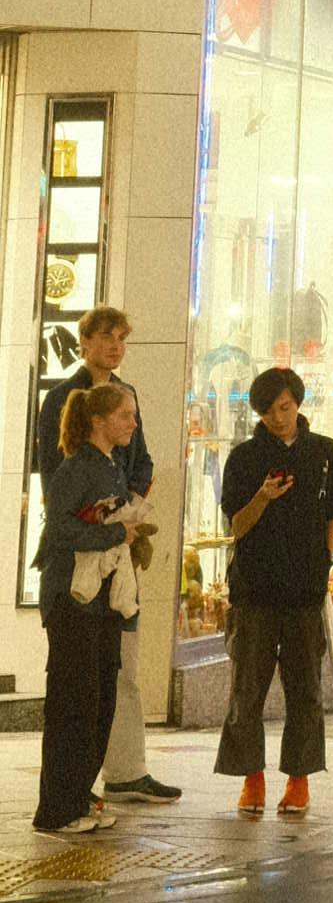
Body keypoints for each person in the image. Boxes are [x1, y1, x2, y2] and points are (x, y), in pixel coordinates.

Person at [34, 305, 176, 805]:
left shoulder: (127, 394)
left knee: (120, 669)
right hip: (82, 551)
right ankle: (72, 791)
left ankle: (124, 769)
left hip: (121, 544)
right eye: (106, 337)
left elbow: (142, 460)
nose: (115, 346)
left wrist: (128, 508)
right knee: (79, 685)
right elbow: (56, 476)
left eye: (122, 337)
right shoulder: (61, 397)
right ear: (86, 341)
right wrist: (103, 516)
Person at [215, 365, 333, 819]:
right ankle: (251, 779)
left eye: (286, 408)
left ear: (298, 404)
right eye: (271, 411)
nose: (280, 418)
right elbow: (235, 526)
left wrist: (325, 562)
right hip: (254, 589)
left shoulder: (325, 453)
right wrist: (263, 498)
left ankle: (299, 781)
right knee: (247, 688)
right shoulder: (245, 458)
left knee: (305, 689)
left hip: (305, 590)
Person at [33, 376, 145, 839]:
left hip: (102, 604)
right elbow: (58, 530)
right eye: (125, 416)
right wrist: (116, 534)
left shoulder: (113, 464)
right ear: (97, 421)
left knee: (100, 702)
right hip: (72, 600)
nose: (133, 424)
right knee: (73, 705)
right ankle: (56, 807)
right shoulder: (77, 467)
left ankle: (80, 793)